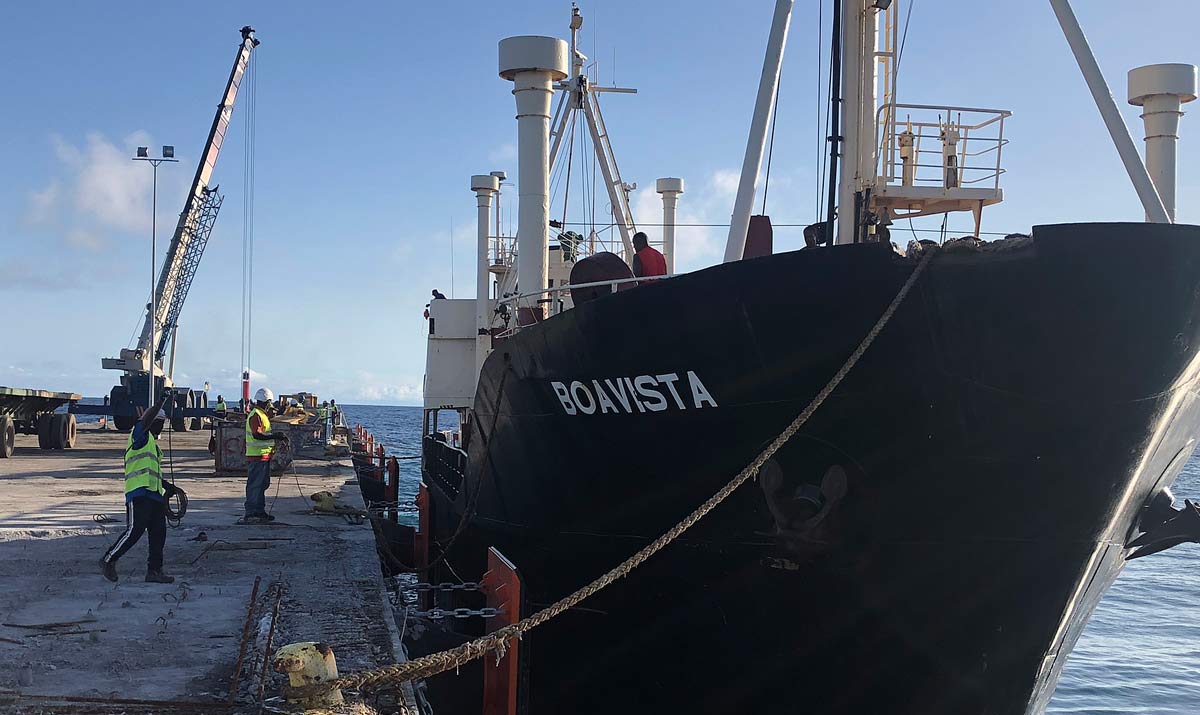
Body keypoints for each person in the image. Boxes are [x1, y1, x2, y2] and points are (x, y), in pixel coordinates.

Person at [101, 391, 176, 584]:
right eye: (159, 422)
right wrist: (160, 401)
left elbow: (151, 470)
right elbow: (147, 419)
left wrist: (167, 487)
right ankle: (108, 560)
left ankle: (154, 571)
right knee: (134, 531)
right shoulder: (139, 434)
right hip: (139, 493)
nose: (161, 426)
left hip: (154, 495)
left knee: (159, 532)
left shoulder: (153, 443)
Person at [240, 387, 289, 525]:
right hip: (257, 457)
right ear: (266, 402)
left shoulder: (262, 415)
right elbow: (257, 434)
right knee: (255, 485)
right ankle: (251, 513)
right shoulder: (256, 415)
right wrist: (275, 436)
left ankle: (259, 511)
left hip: (263, 456)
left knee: (262, 484)